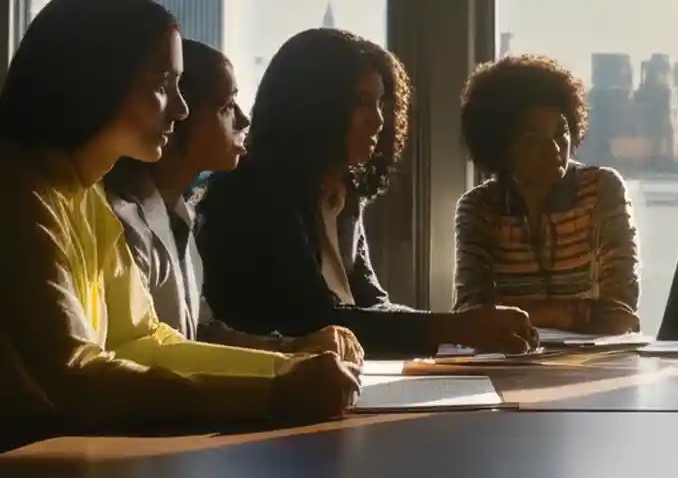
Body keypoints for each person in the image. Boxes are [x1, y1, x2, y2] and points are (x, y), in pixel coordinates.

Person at [0, 0, 358, 425]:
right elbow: (73, 378)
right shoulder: (19, 198)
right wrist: (271, 393)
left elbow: (143, 341)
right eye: (163, 85)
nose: (182, 108)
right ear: (98, 80)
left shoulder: (84, 194)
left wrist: (283, 368)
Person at [197, 28, 537, 357]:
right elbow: (310, 321)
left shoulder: (342, 194)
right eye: (362, 102)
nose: (377, 120)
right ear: (312, 106)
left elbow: (371, 304)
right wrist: (455, 328)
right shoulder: (250, 193)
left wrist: (465, 331)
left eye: (381, 104)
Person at [104, 39, 362, 362]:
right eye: (226, 107)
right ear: (179, 115)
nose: (242, 120)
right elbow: (149, 354)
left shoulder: (179, 212)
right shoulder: (123, 223)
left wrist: (290, 348)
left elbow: (201, 330)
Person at [454, 55, 641, 335]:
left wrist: (522, 313)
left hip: (597, 364)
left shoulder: (602, 189)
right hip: (511, 362)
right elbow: (471, 314)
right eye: (532, 139)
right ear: (501, 147)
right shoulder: (479, 207)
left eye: (560, 131)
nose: (554, 149)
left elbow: (620, 312)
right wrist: (570, 313)